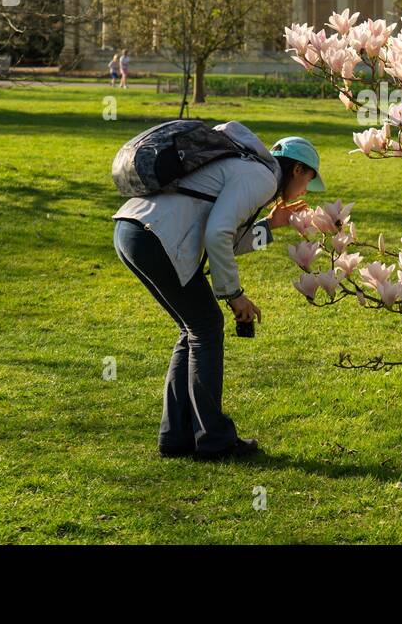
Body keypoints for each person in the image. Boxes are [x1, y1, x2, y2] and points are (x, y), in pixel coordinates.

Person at [112, 127, 325, 460]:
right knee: (206, 327)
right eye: (308, 180)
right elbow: (219, 233)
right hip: (155, 238)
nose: (305, 189)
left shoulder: (250, 170)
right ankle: (215, 440)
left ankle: (177, 438)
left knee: (196, 329)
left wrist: (270, 227)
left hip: (134, 230)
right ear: (297, 169)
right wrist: (234, 294)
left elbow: (225, 239)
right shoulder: (261, 177)